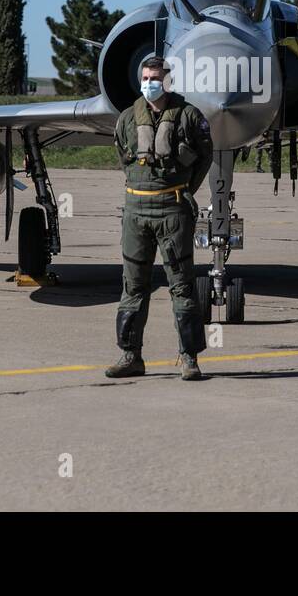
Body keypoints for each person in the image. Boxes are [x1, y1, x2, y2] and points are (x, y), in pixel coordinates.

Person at [105, 56, 213, 381]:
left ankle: (189, 358)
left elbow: (205, 156)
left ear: (167, 81)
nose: (150, 83)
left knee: (181, 285)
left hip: (173, 210)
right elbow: (124, 158)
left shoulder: (189, 117)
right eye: (146, 77)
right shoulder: (126, 118)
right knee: (133, 286)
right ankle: (130, 355)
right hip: (136, 212)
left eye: (156, 78)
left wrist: (183, 189)